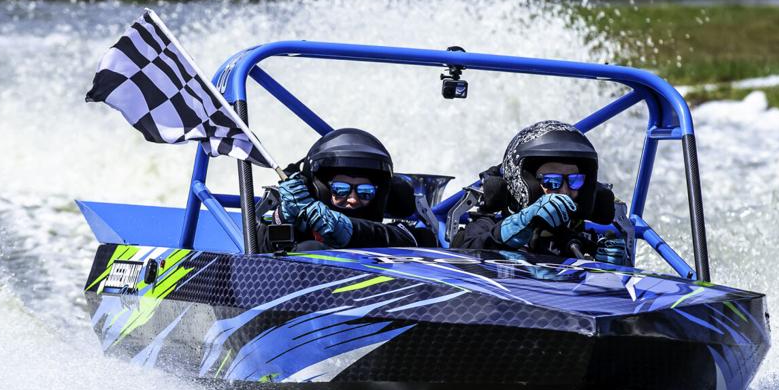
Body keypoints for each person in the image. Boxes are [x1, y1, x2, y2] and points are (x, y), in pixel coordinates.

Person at [452, 120, 628, 263]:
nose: (564, 191)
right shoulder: (488, 225)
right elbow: (461, 253)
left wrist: (614, 268)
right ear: (524, 183)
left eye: (575, 180)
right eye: (552, 181)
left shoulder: (590, 237)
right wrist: (520, 224)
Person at [257, 128, 437, 252]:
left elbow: (421, 241)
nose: (353, 199)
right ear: (320, 190)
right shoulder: (297, 228)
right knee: (310, 249)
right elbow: (256, 251)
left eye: (365, 191)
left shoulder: (403, 235)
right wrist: (283, 218)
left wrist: (345, 227)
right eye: (340, 189)